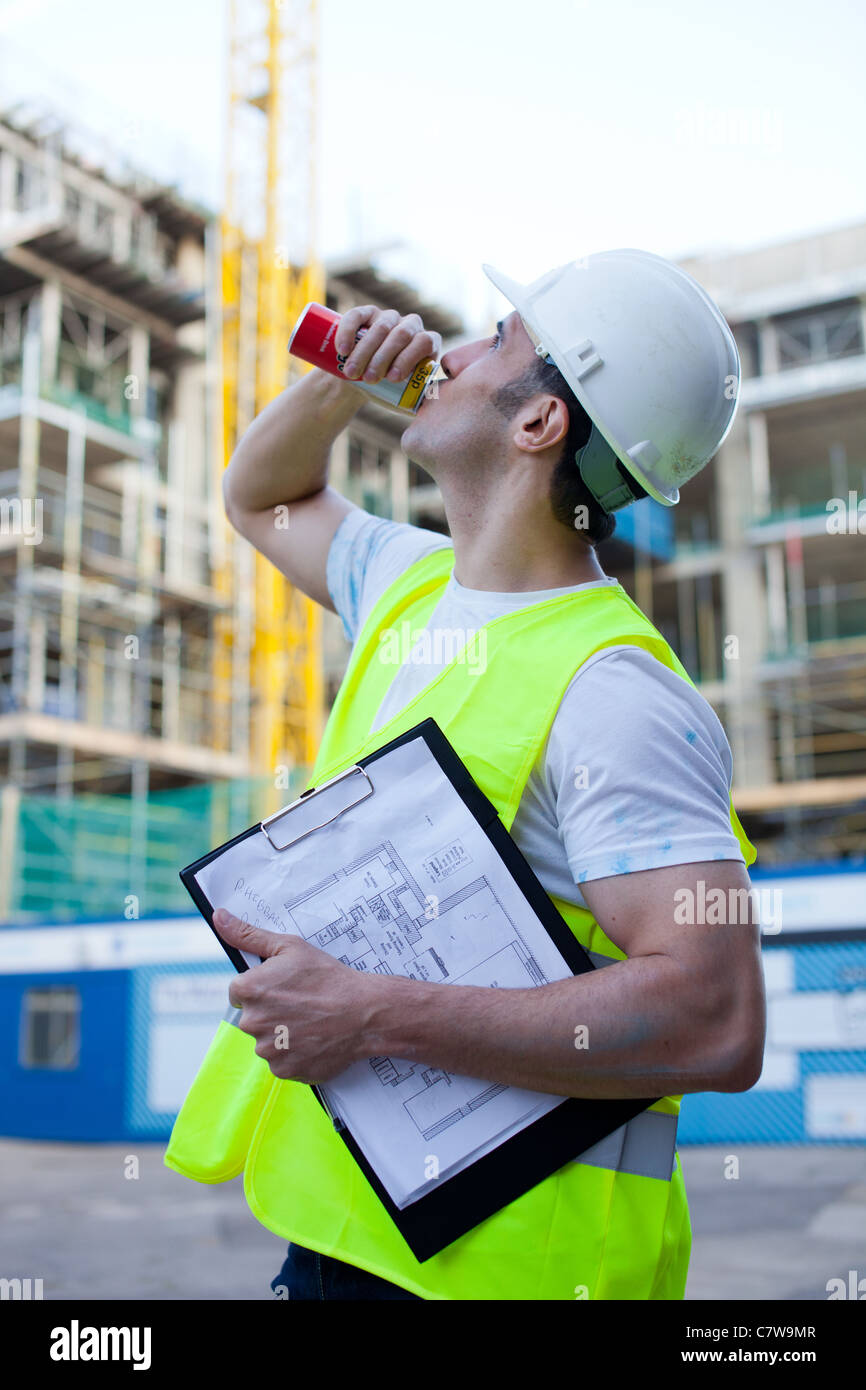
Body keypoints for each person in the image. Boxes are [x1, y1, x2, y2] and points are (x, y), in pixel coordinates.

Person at [165, 251, 766, 1301]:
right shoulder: (408, 581)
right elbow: (259, 496)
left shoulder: (614, 692)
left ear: (539, 424)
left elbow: (715, 1020)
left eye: (498, 341)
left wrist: (371, 1014)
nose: (448, 352)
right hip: (344, 1241)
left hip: (509, 1276)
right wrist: (337, 383)